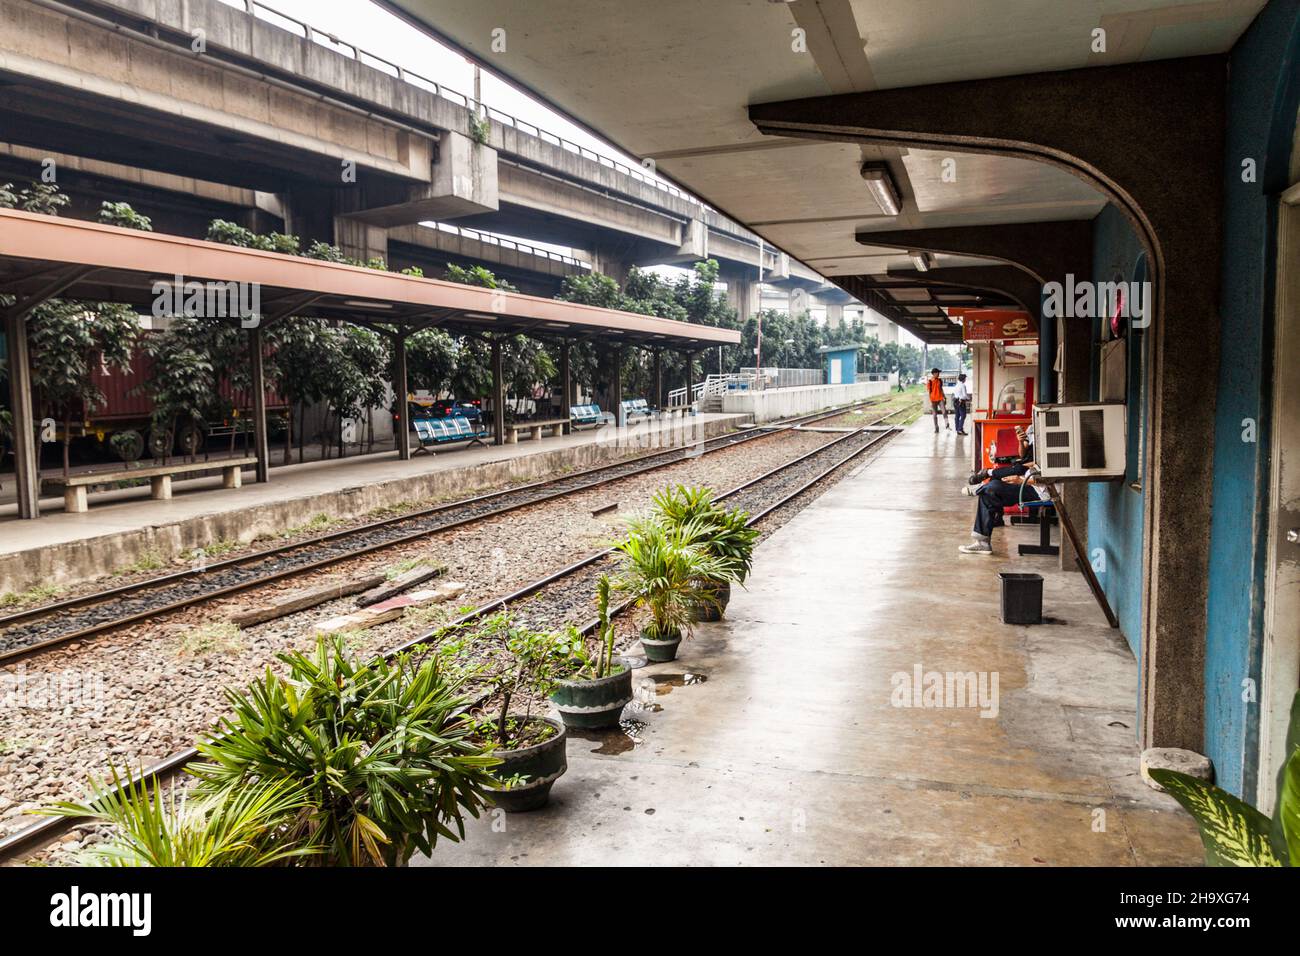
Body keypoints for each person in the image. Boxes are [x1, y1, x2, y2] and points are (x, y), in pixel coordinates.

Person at [958, 466, 1050, 555]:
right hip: (1031, 482)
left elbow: (1051, 479)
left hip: (1038, 492)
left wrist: (1021, 481)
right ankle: (983, 542)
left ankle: (981, 489)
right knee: (991, 489)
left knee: (992, 490)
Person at [926, 368, 949, 432]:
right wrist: (930, 401)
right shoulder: (929, 382)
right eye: (938, 372)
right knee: (935, 415)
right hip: (933, 400)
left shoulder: (940, 380)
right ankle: (936, 427)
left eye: (939, 372)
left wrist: (944, 397)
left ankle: (947, 423)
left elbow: (941, 389)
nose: (939, 374)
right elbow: (929, 392)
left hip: (940, 398)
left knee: (944, 411)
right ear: (934, 373)